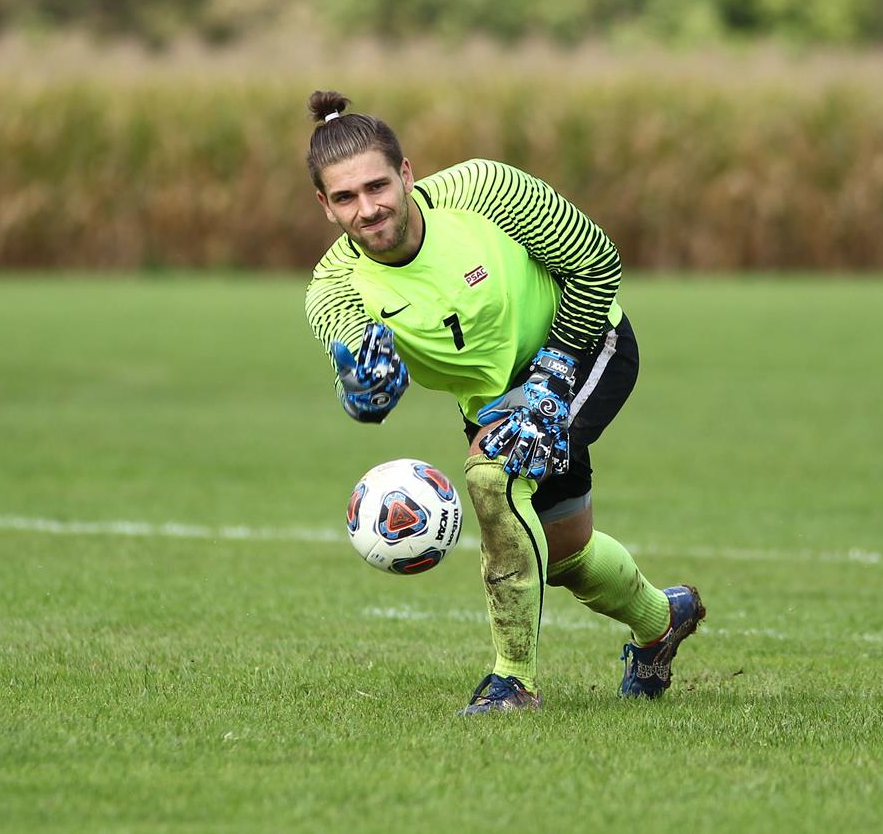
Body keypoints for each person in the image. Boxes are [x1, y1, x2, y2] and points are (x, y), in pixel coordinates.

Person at [302, 90, 705, 715]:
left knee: (492, 479)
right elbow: (355, 363)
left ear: (406, 174)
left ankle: (512, 683)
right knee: (564, 555)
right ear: (324, 206)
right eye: (346, 197)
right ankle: (662, 619)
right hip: (492, 399)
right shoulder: (333, 289)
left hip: (584, 343)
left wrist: (550, 379)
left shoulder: (485, 190)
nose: (369, 209)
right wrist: (364, 393)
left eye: (378, 186)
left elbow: (596, 261)